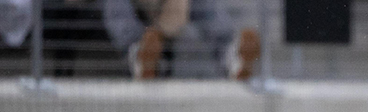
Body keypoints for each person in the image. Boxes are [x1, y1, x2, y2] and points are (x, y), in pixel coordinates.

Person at [101, 0, 259, 80]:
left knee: (203, 7)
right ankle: (139, 55)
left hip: (171, 10)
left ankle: (232, 56)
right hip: (136, 13)